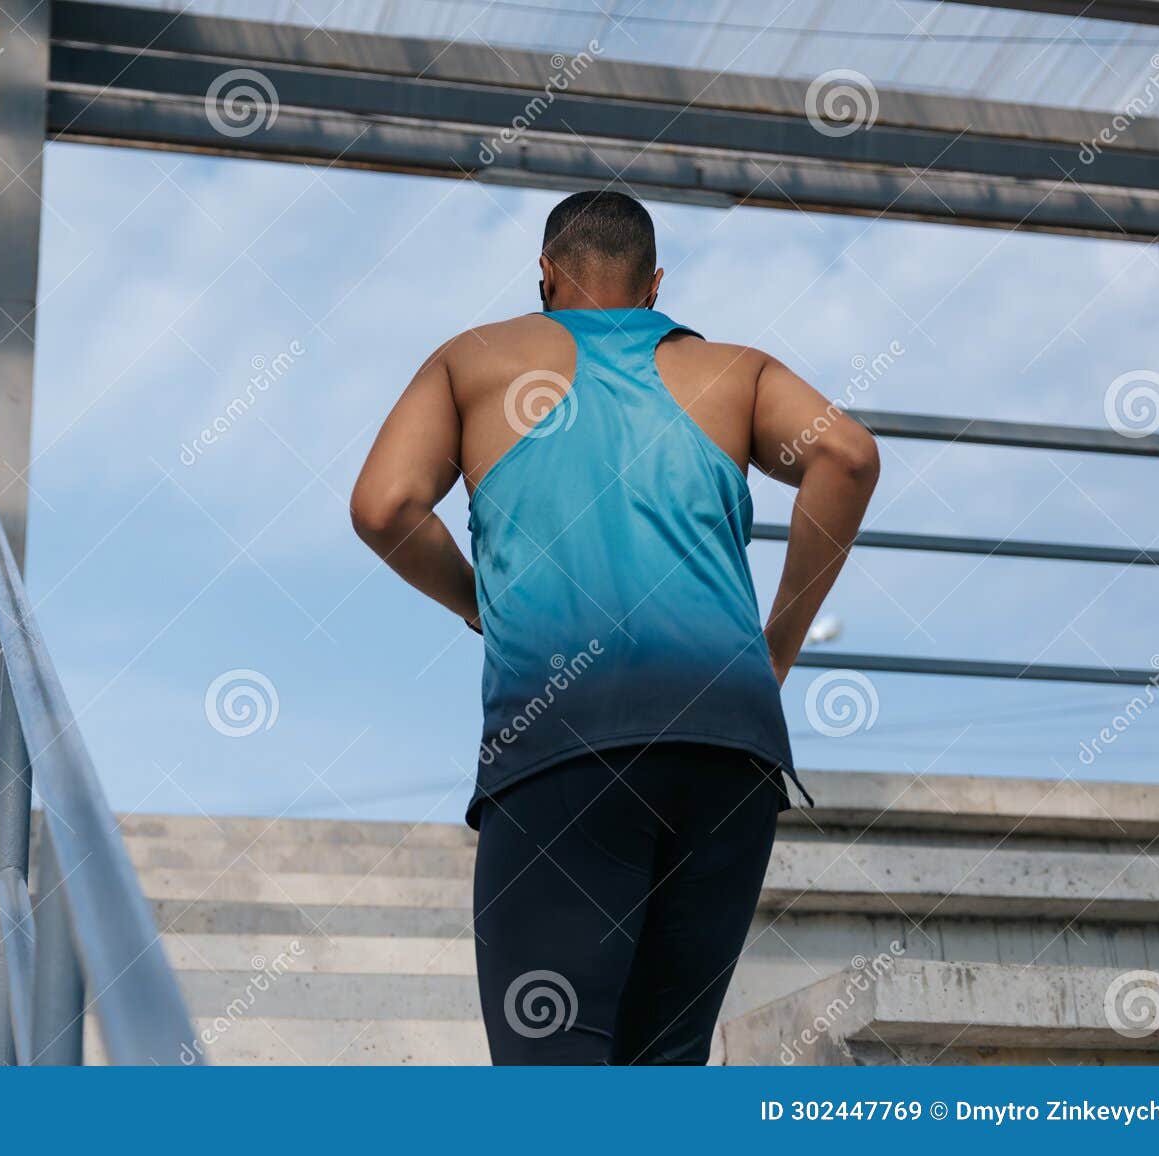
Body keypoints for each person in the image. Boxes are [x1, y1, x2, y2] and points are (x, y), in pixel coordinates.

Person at [349, 189, 879, 1064]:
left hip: (567, 742)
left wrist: (482, 605)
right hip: (728, 748)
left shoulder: (472, 363)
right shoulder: (736, 372)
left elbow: (383, 506)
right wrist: (775, 647)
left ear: (545, 273)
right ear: (656, 284)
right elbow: (848, 455)